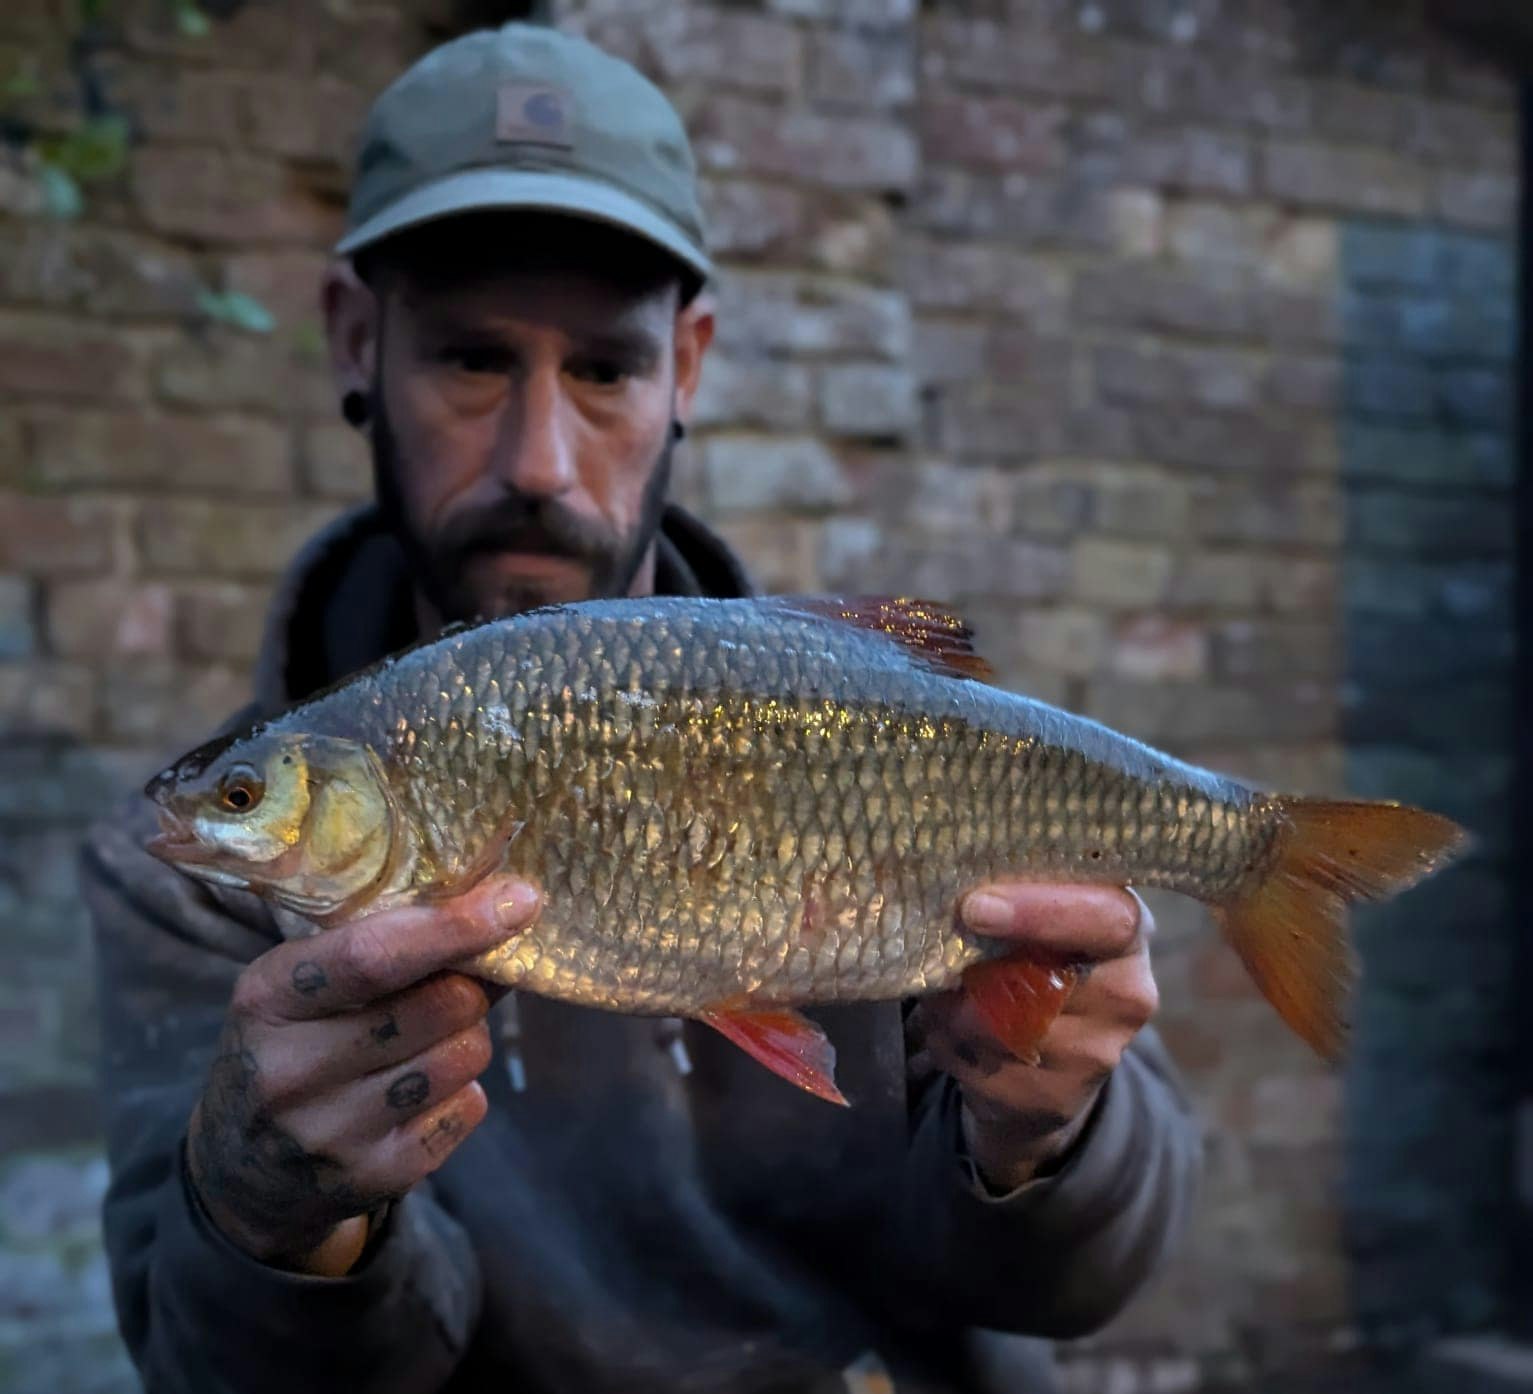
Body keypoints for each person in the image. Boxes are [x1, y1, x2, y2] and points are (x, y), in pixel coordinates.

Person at [83, 22, 1201, 1394]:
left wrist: (1042, 1130)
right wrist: (275, 1202)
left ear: (690, 365)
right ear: (355, 340)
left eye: (604, 370)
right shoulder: (205, 878)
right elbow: (211, 1363)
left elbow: (1073, 1278)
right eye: (470, 361)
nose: (537, 459)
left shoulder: (872, 733)